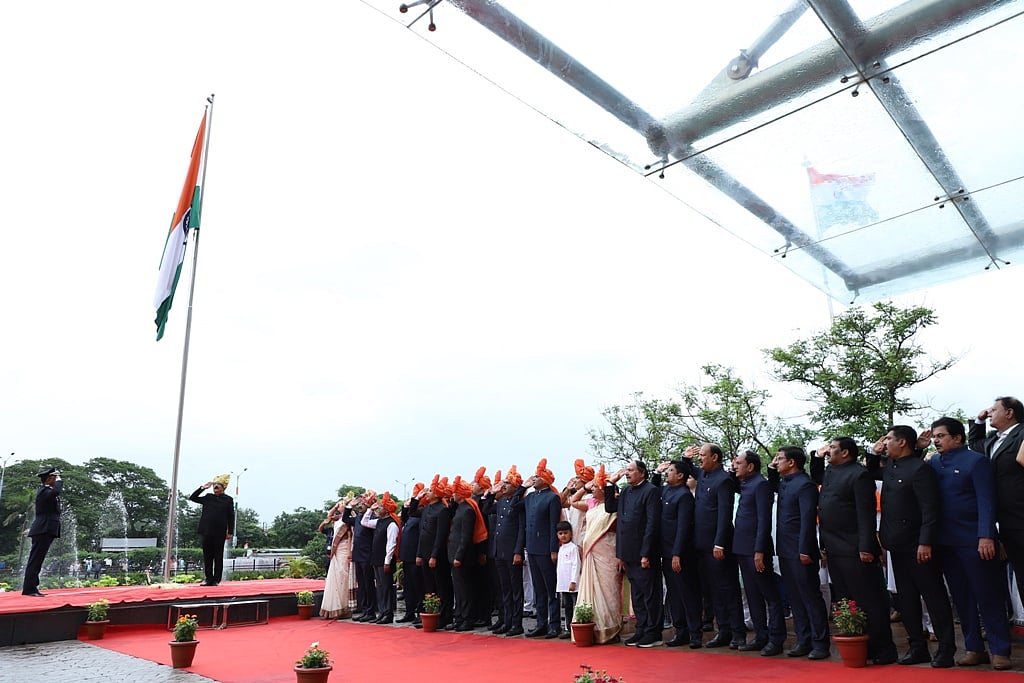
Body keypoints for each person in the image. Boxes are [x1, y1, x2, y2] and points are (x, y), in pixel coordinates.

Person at [867, 425, 956, 668]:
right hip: (896, 543)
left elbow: (930, 510)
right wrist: (873, 452)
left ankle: (946, 648)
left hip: (918, 544)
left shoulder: (920, 469)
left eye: (889, 439)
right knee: (906, 598)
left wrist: (925, 542)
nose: (885, 443)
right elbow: (871, 471)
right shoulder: (891, 466)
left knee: (933, 597)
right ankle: (917, 646)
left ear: (902, 442)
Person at [928, 416, 1011, 670]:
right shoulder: (934, 462)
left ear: (957, 437)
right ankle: (974, 648)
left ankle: (1000, 650)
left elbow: (986, 500)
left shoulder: (976, 461)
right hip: (946, 541)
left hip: (974, 540)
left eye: (941, 436)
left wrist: (986, 535)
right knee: (961, 598)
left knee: (988, 595)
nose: (936, 440)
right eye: (934, 436)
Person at [818, 437, 898, 665]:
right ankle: (861, 644)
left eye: (833, 448)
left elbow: (866, 514)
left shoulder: (859, 474)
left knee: (870, 600)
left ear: (845, 453)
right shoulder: (831, 472)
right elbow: (817, 480)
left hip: (855, 547)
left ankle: (883, 648)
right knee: (846, 599)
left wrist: (865, 546)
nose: (829, 451)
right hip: (834, 546)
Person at [771, 446, 830, 660]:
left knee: (810, 597)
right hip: (785, 549)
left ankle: (820, 643)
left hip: (801, 549)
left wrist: (805, 549)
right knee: (795, 598)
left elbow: (807, 520)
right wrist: (772, 468)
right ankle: (803, 639)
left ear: (792, 462)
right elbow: (772, 484)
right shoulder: (784, 483)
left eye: (780, 459)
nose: (776, 462)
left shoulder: (805, 484)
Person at [689, 443, 745, 649]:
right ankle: (723, 630)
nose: (699, 459)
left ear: (714, 457)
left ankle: (738, 633)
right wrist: (686, 457)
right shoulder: (703, 475)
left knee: (728, 589)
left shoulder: (724, 480)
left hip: (719, 545)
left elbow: (724, 515)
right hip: (701, 545)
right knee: (713, 591)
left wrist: (720, 543)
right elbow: (687, 467)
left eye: (703, 455)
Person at [732, 450, 786, 657]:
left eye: (739, 463)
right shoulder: (745, 484)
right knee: (752, 594)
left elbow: (764, 520)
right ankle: (760, 635)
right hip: (741, 548)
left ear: (751, 466)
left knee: (769, 595)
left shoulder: (761, 485)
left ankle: (776, 638)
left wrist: (759, 550)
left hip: (756, 549)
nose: (735, 466)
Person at [970, 397, 1024, 603]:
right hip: (1004, 518)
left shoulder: (1021, 434)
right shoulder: (993, 439)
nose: (989, 412)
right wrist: (979, 421)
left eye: (994, 409)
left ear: (1009, 413)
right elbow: (974, 444)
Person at [605, 459, 663, 648]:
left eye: (631, 470)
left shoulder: (650, 491)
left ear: (642, 473)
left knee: (649, 594)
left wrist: (646, 553)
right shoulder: (626, 491)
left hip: (644, 552)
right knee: (636, 595)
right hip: (628, 552)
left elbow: (652, 524)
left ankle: (653, 632)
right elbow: (610, 508)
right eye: (626, 470)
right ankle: (641, 629)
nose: (627, 473)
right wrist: (610, 483)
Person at [651, 458, 703, 649]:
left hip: (680, 553)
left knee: (688, 593)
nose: (668, 473)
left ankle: (695, 633)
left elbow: (683, 527)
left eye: (671, 470)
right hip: (665, 551)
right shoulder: (666, 491)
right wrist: (656, 473)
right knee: (674, 594)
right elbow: (654, 490)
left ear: (680, 475)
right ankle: (680, 631)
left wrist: (677, 554)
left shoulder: (684, 496)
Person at [570, 464, 623, 644]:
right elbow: (573, 501)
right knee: (592, 592)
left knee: (609, 591)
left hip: (608, 553)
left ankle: (612, 628)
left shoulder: (614, 505)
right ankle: (594, 629)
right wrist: (585, 487)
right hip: (591, 554)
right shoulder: (591, 504)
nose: (592, 490)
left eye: (595, 487)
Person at [511, 459, 562, 639]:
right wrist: (522, 487)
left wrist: (553, 549)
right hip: (532, 546)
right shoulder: (531, 497)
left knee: (551, 588)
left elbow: (554, 524)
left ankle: (554, 624)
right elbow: (513, 503)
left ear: (545, 479)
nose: (534, 478)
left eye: (537, 476)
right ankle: (541, 623)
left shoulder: (552, 497)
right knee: (538, 588)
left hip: (545, 548)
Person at [449, 476, 488, 631]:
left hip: (463, 557)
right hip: (454, 554)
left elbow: (466, 537)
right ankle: (459, 617)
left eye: (455, 492)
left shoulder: (467, 510)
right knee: (458, 590)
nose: (453, 495)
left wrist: (459, 556)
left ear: (460, 494)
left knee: (465, 589)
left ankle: (467, 618)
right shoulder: (460, 508)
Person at [491, 466, 526, 636]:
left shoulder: (518, 503)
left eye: (507, 483)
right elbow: (485, 509)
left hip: (512, 551)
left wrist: (518, 551)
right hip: (499, 550)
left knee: (515, 589)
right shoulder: (501, 502)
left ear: (515, 486)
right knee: (505, 589)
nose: (503, 486)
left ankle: (516, 623)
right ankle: (507, 620)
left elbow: (521, 528)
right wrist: (490, 493)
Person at [415, 475, 454, 628]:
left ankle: (444, 617)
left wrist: (434, 555)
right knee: (429, 587)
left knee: (441, 586)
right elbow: (413, 517)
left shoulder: (442, 510)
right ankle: (430, 614)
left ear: (437, 494)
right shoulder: (426, 509)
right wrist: (419, 554)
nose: (427, 493)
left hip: (437, 555)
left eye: (430, 491)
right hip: (424, 553)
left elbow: (440, 535)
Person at [22, 466, 63, 597]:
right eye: (55, 478)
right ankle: (29, 589)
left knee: (38, 560)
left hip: (46, 529)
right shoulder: (44, 491)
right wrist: (60, 481)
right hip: (43, 528)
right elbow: (57, 491)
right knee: (35, 559)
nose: (57, 480)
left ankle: (33, 587)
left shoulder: (48, 491)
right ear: (49, 479)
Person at [188, 473, 234, 586]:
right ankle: (208, 578)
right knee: (207, 556)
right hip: (206, 531)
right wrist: (203, 488)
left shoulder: (228, 500)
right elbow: (192, 498)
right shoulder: (208, 497)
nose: (215, 487)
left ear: (223, 487)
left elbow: (231, 516)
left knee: (218, 556)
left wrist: (230, 531)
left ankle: (216, 580)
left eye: (218, 485)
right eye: (214, 486)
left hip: (220, 532)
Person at [320, 495, 356, 619]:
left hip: (344, 550)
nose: (339, 505)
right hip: (336, 552)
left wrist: (349, 553)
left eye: (341, 504)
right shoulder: (337, 518)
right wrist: (335, 507)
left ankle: (344, 607)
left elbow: (350, 537)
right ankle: (333, 608)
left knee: (343, 577)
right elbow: (328, 516)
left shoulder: (348, 519)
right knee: (334, 578)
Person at [398, 483, 425, 623]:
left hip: (415, 555)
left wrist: (419, 554)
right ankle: (409, 612)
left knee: (418, 586)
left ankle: (421, 612)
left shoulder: (422, 513)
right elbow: (404, 518)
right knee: (408, 586)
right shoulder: (411, 514)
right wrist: (405, 506)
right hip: (407, 556)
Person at [352, 490, 378, 622]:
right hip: (358, 554)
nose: (359, 506)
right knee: (361, 584)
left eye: (362, 504)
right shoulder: (358, 517)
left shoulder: (372, 518)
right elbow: (345, 519)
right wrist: (349, 506)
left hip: (367, 555)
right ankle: (364, 609)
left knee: (368, 584)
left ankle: (371, 611)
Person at [555, 520, 580, 638]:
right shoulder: (560, 548)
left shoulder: (573, 548)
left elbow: (576, 565)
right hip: (563, 583)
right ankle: (567, 628)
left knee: (575, 605)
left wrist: (573, 581)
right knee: (567, 606)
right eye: (560, 533)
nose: (563, 536)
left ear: (570, 533)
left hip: (572, 583)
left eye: (565, 533)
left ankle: (576, 627)